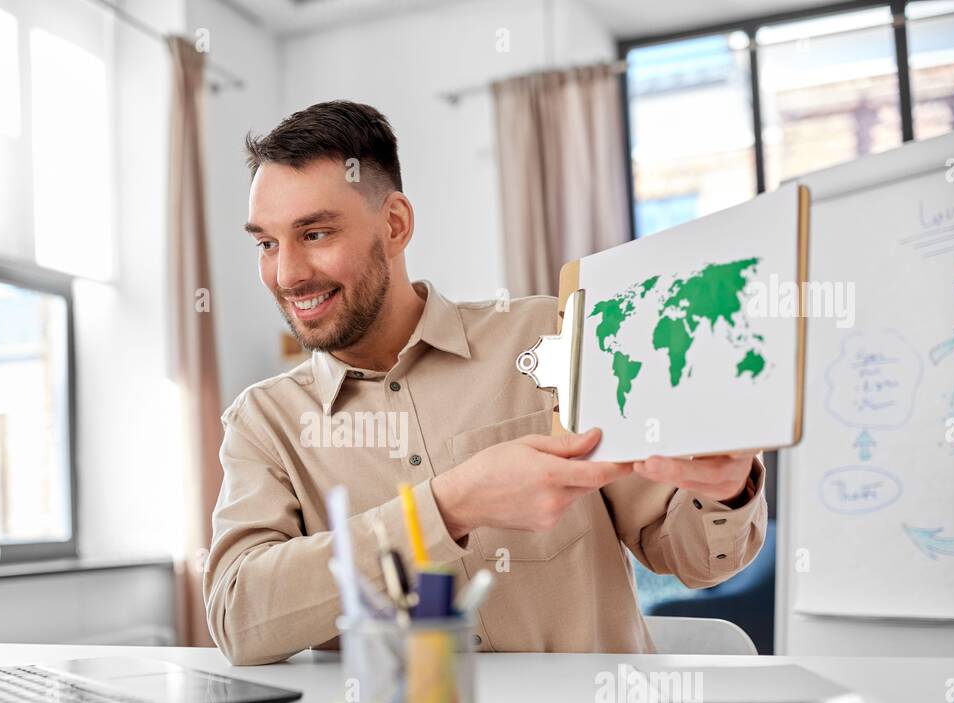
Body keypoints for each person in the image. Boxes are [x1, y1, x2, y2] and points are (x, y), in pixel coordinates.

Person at [205, 101, 766, 665]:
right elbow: (239, 619)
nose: (287, 274)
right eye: (266, 243)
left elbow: (693, 558)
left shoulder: (553, 337)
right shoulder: (264, 424)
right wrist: (449, 506)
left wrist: (726, 490)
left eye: (316, 233)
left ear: (395, 224)